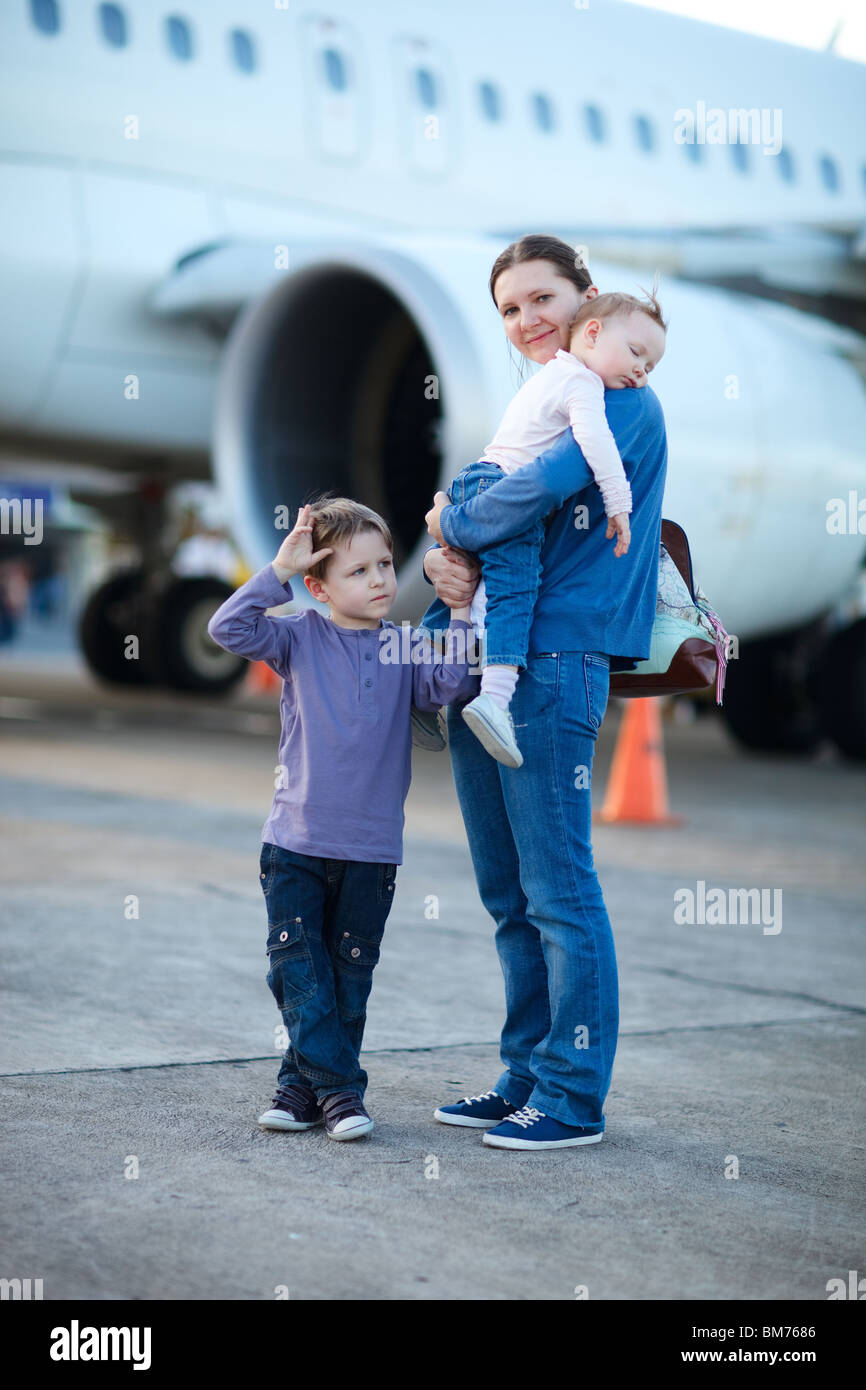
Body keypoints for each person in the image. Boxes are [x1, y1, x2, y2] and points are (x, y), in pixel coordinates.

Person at [422, 234, 668, 1150]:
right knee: (508, 893)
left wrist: (447, 516)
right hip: (492, 658)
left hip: (556, 663)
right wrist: (447, 560)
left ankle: (571, 1097)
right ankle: (524, 1074)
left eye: (542, 298)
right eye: (510, 309)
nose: (527, 320)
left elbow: (518, 500)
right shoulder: (549, 400)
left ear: (585, 298)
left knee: (559, 888)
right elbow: (488, 533)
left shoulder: (623, 400)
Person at [207, 498, 479, 1141]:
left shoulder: (404, 646)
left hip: (371, 850)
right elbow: (228, 628)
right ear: (319, 587)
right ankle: (339, 1093)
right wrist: (279, 570)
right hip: (294, 843)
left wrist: (461, 612)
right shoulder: (298, 636)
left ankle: (298, 1089)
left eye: (384, 564)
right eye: (358, 571)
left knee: (348, 977)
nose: (380, 579)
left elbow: (451, 684)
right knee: (297, 970)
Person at [421, 287, 667, 767]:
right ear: (592, 332)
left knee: (474, 589)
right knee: (515, 586)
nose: (641, 372)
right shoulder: (582, 384)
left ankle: (433, 681)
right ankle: (494, 697)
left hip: (477, 480)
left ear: (585, 301)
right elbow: (562, 469)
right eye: (637, 353)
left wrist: (449, 527)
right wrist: (619, 501)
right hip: (498, 487)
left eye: (650, 365)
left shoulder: (560, 380)